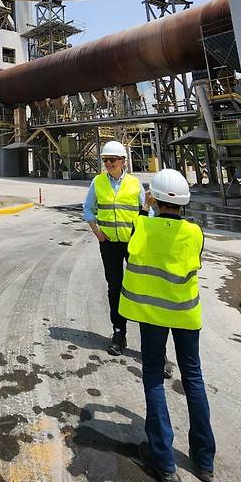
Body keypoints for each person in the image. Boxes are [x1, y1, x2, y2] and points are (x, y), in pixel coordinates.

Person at [119, 169, 215, 482]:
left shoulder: (142, 226)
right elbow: (196, 261)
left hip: (152, 315)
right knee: (193, 378)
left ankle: (163, 458)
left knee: (153, 375)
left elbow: (134, 247)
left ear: (153, 198)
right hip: (186, 315)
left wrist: (146, 207)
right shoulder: (195, 232)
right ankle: (204, 460)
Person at [83, 141, 146, 355]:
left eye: (112, 160)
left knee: (140, 288)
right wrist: (97, 232)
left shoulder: (135, 184)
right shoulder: (98, 182)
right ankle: (119, 332)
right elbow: (88, 207)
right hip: (108, 244)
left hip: (133, 244)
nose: (108, 164)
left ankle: (151, 338)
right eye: (105, 160)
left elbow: (147, 212)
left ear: (122, 161)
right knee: (114, 287)